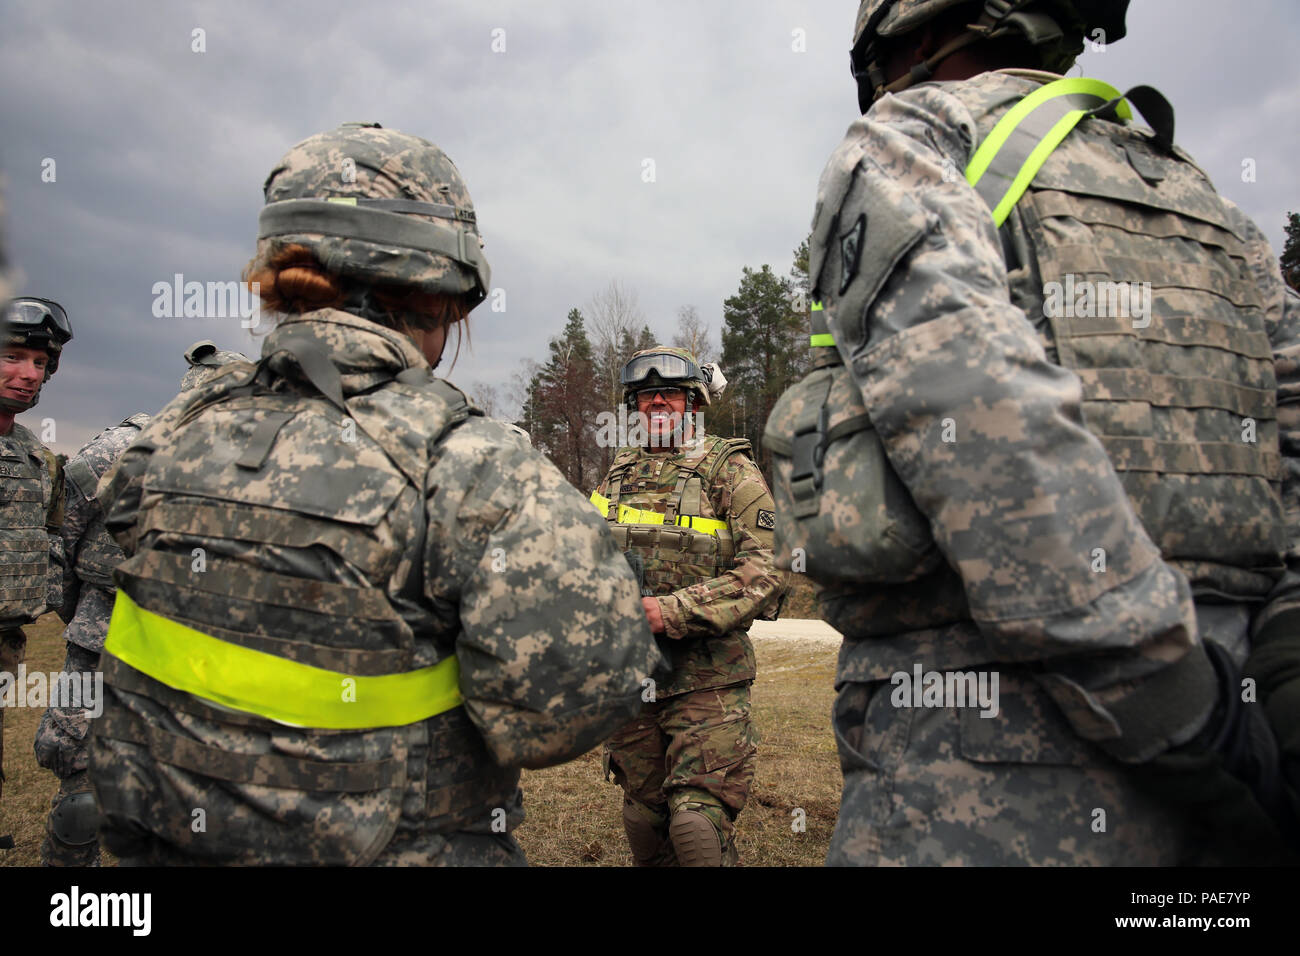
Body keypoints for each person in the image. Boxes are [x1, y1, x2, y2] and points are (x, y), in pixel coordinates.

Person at [793, 0, 1300, 864]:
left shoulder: (913, 139)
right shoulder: (1201, 200)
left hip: (986, 775)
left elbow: (983, 423)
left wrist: (1178, 703)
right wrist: (1274, 693)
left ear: (908, 40)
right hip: (1245, 760)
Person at [88, 122, 663, 866]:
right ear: (442, 289)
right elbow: (562, 710)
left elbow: (118, 522)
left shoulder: (172, 431)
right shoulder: (472, 464)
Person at [34, 342, 249, 866]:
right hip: (103, 645)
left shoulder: (250, 472)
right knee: (82, 801)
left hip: (193, 659)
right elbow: (59, 542)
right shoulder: (119, 451)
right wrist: (82, 615)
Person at [589, 347, 791, 865]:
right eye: (646, 395)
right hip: (633, 676)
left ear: (693, 402)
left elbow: (769, 568)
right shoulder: (618, 472)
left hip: (708, 677)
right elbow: (581, 555)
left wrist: (672, 611)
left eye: (670, 393)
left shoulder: (730, 469)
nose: (658, 402)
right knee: (644, 815)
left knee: (696, 823)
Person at [0, 296, 70, 851]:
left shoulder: (35, 455)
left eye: (39, 364)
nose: (27, 375)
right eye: (12, 356)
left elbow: (51, 537)